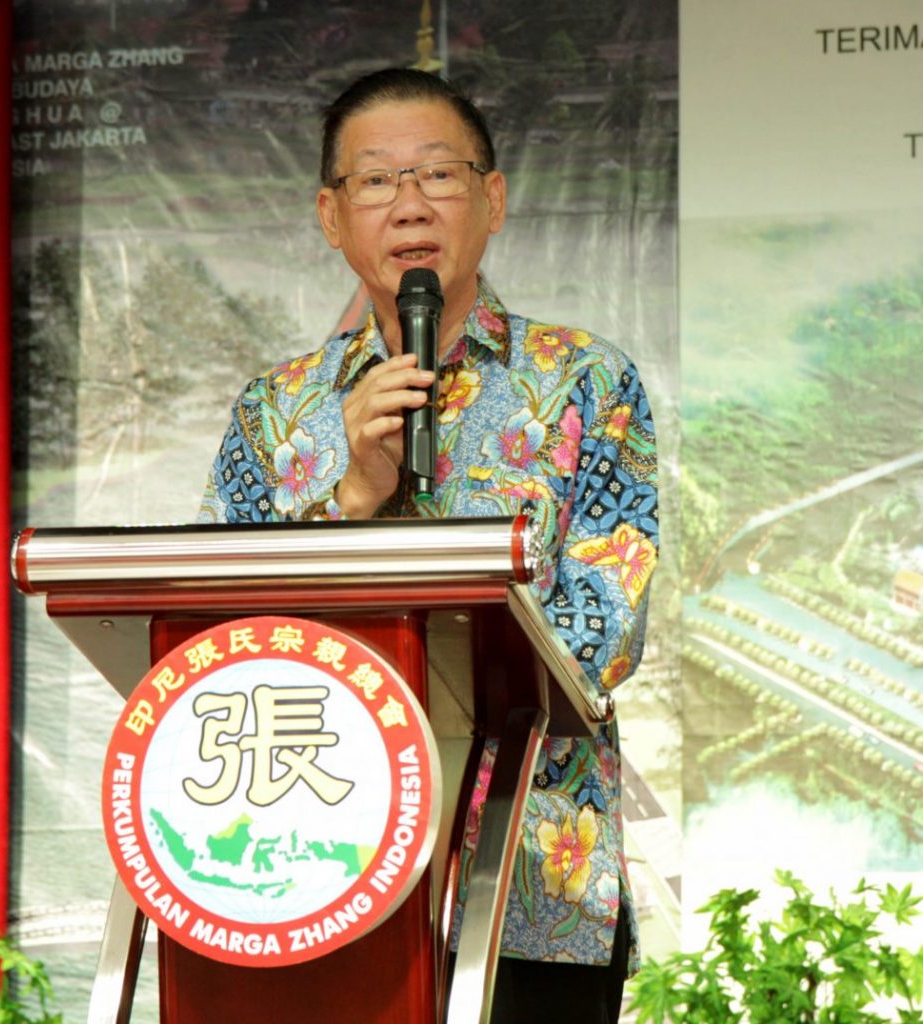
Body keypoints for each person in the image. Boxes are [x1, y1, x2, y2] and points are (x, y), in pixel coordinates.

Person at [197, 67, 659, 1023]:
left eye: (438, 175)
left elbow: (608, 623)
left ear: (491, 199)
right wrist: (349, 503)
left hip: (531, 869)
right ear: (331, 217)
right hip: (318, 859)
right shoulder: (276, 408)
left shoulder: (586, 382)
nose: (408, 203)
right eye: (375, 181)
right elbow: (216, 639)